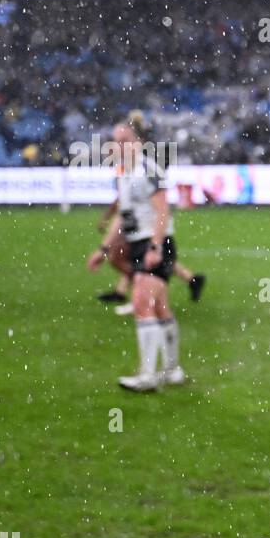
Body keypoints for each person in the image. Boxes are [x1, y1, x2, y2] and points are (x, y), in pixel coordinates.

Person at [86, 113, 186, 391]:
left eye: (125, 141)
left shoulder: (147, 170)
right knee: (160, 307)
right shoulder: (124, 173)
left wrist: (154, 246)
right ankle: (172, 370)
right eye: (116, 142)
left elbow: (163, 210)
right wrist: (103, 249)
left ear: (139, 143)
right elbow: (123, 216)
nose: (119, 147)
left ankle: (147, 376)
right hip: (145, 243)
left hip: (156, 244)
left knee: (142, 305)